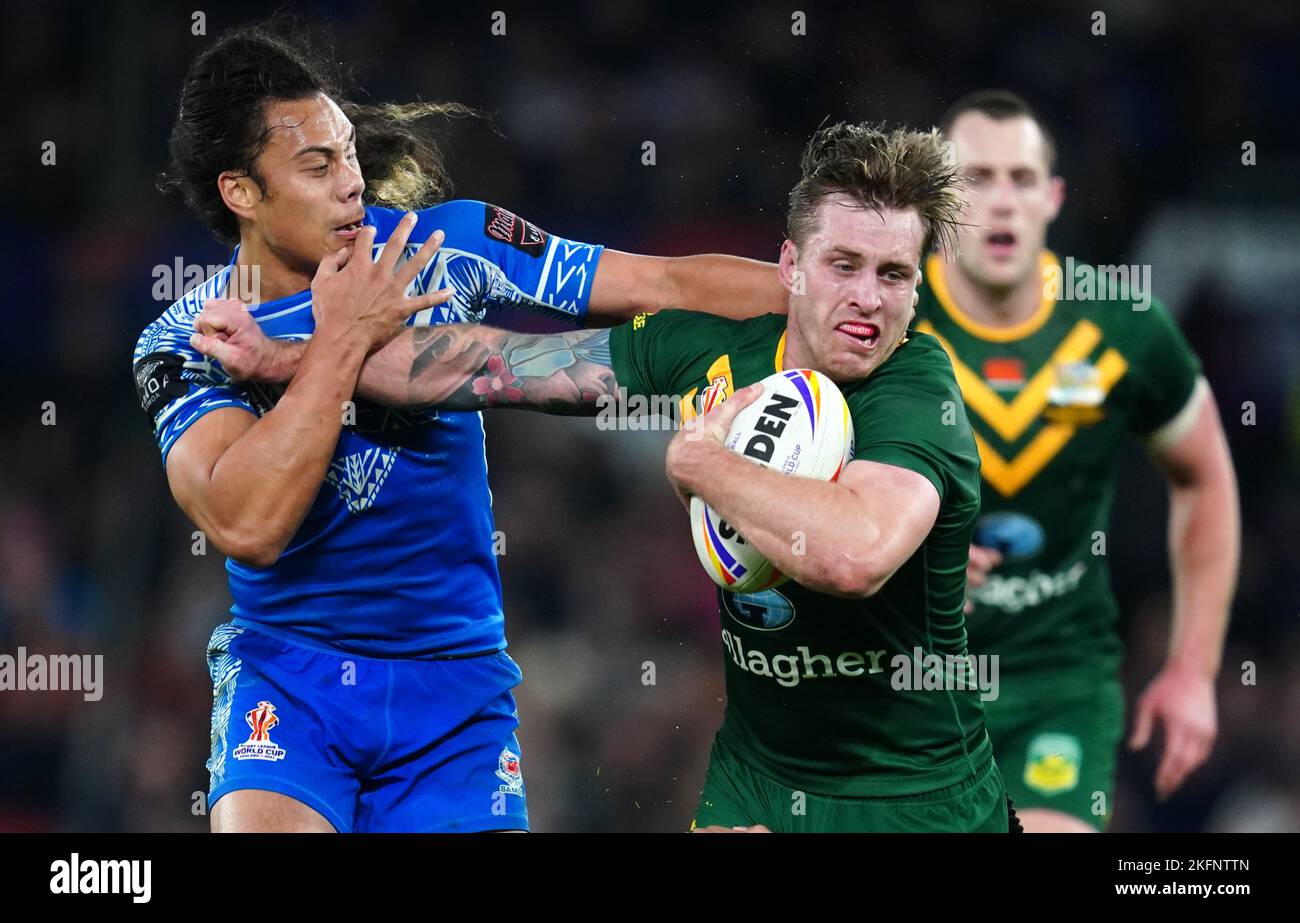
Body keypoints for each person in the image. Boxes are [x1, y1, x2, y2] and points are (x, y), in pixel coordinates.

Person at [195, 122, 1014, 833]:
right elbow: (492, 365)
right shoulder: (709, 352)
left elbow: (854, 555)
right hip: (759, 777)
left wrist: (702, 463)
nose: (867, 298)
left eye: (894, 274)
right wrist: (293, 358)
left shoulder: (917, 393)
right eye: (844, 264)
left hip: (916, 794)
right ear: (791, 266)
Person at [133, 22, 786, 833]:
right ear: (241, 192)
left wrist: (816, 296)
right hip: (290, 682)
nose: (352, 184)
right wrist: (342, 339)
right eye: (317, 166)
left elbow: (664, 283)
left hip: (452, 694)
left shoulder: (445, 251)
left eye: (347, 153)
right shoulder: (187, 341)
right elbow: (248, 523)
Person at [913, 89, 1240, 831]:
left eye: (1021, 179)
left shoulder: (1122, 325)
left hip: (1057, 684)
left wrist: (1193, 668)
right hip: (898, 683)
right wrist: (892, 548)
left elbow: (1206, 476)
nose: (1002, 200)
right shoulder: (883, 315)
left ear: (1052, 197)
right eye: (976, 178)